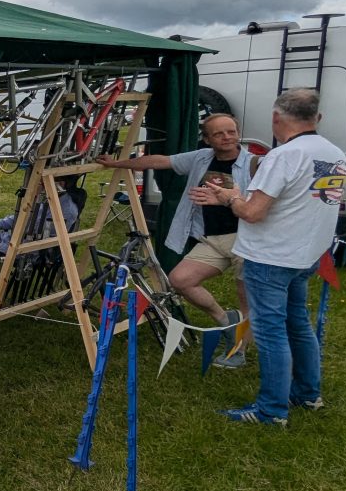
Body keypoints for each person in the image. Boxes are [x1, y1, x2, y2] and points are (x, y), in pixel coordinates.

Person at [192, 88, 346, 426]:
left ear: (276, 118)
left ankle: (271, 410)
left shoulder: (283, 156)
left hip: (272, 256)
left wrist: (229, 199)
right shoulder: (335, 154)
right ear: (317, 117)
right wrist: (237, 197)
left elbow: (252, 212)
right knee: (298, 323)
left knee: (270, 331)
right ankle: (307, 394)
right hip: (306, 254)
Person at [98, 113, 253, 366]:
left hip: (247, 239)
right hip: (212, 238)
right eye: (218, 134)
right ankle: (226, 321)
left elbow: (263, 206)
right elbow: (160, 161)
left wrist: (229, 200)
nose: (227, 137)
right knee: (180, 280)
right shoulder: (202, 157)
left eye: (231, 132)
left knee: (247, 297)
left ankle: (238, 351)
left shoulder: (254, 164)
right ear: (207, 139)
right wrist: (117, 163)